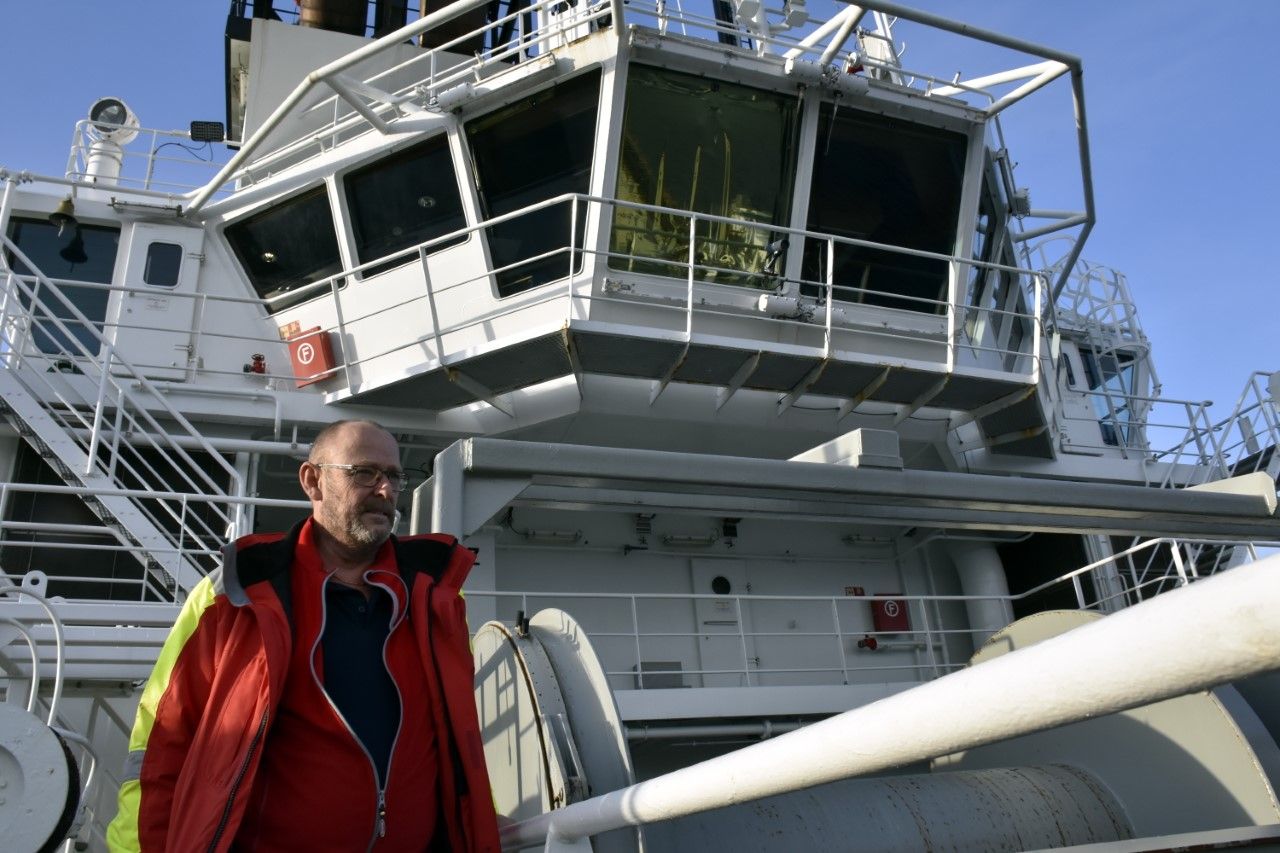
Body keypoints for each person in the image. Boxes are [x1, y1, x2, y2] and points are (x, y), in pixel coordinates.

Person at [106, 419, 501, 852]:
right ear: (313, 481)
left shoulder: (437, 598)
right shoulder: (233, 595)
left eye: (393, 476)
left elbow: (459, 745)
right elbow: (161, 744)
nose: (385, 490)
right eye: (364, 473)